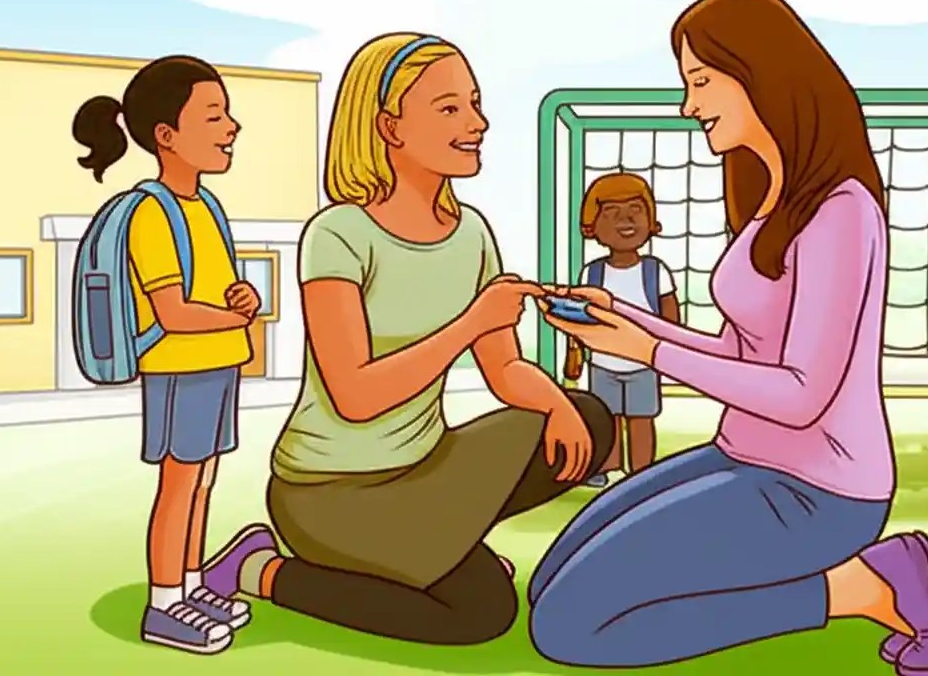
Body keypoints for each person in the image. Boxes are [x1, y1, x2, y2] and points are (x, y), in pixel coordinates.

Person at [529, 0, 928, 675]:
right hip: (743, 455)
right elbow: (739, 352)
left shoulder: (841, 212)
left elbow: (802, 393)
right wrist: (626, 323)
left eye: (701, 82)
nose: (689, 105)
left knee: (570, 626)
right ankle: (861, 579)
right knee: (550, 581)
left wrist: (652, 350)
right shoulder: (770, 205)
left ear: (761, 75)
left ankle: (865, 588)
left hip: (820, 493)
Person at [198, 32, 615, 646]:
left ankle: (429, 548)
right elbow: (355, 396)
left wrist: (555, 405)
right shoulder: (338, 235)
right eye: (450, 108)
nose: (478, 121)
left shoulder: (472, 232)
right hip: (330, 492)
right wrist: (471, 321)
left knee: (586, 418)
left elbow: (504, 372)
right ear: (390, 127)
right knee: (482, 612)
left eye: (474, 103)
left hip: (423, 465)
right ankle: (261, 570)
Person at [71, 56, 257, 654]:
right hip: (181, 369)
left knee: (203, 482)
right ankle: (163, 603)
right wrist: (234, 316)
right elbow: (173, 312)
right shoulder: (154, 212)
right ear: (166, 136)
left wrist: (241, 299)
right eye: (214, 115)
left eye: (227, 113)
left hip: (219, 362)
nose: (231, 127)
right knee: (179, 484)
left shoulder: (207, 208)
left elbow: (215, 289)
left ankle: (193, 582)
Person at [564, 172, 680, 488]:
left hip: (643, 361)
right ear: (593, 225)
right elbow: (581, 313)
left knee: (641, 418)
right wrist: (575, 348)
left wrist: (672, 351)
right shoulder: (593, 272)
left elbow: (670, 313)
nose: (625, 221)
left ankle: (641, 471)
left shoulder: (655, 270)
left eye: (635, 211)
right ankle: (608, 466)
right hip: (603, 361)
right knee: (608, 417)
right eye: (612, 213)